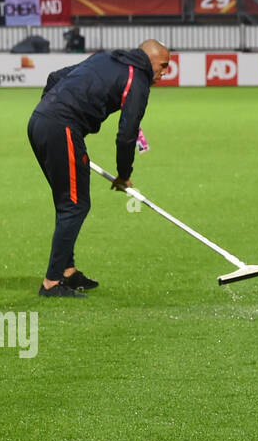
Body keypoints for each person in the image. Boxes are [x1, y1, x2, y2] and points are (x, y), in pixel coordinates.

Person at [28, 40, 171, 297]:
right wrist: (124, 175)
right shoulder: (137, 81)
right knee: (75, 205)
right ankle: (51, 283)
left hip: (40, 122)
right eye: (163, 66)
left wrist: (47, 111)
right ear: (149, 59)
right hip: (62, 129)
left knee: (68, 203)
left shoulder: (105, 59)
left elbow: (54, 77)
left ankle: (68, 272)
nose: (164, 73)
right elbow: (127, 135)